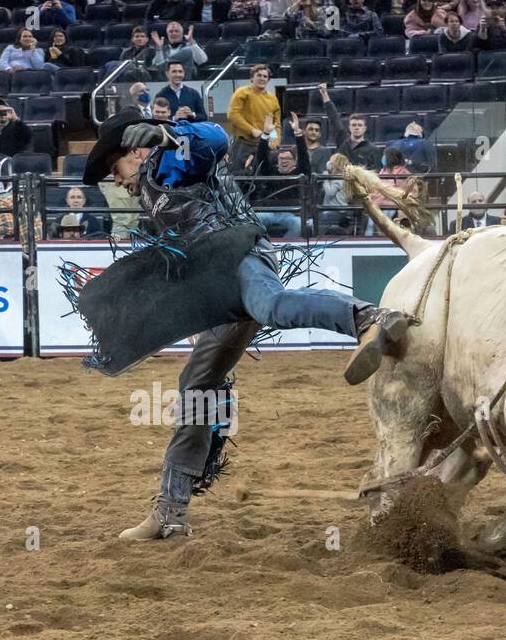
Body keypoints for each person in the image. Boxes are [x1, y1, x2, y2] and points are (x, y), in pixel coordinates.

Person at [79, 109, 413, 540]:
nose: (116, 179)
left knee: (270, 305)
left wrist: (167, 134)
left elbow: (215, 139)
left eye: (115, 166)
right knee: (196, 383)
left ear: (135, 151)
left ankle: (372, 317)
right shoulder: (153, 186)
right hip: (218, 284)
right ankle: (170, 512)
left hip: (241, 253)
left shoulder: (169, 159)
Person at [228, 64, 279, 164]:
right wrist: (251, 130)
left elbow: (276, 123)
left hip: (265, 145)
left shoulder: (273, 98)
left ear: (268, 80)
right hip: (244, 144)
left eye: (265, 76)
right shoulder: (242, 92)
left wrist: (275, 139)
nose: (262, 78)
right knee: (240, 174)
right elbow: (233, 114)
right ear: (251, 78)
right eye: (259, 75)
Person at [320, 83, 380, 168]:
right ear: (349, 127)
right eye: (354, 125)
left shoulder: (373, 150)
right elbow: (334, 117)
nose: (356, 127)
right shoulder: (342, 140)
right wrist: (324, 93)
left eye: (360, 125)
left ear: (365, 128)